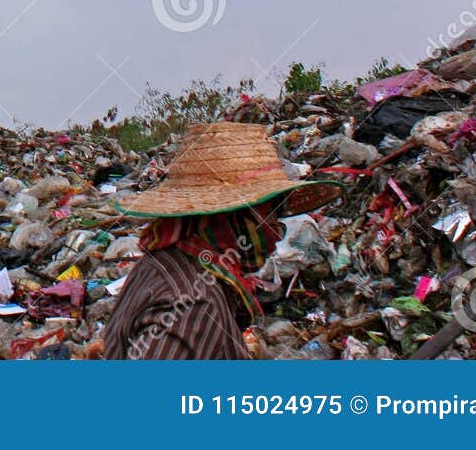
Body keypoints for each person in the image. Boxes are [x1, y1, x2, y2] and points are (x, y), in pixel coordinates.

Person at [102, 121, 339, 359]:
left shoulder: (161, 263)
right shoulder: (196, 305)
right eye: (271, 214)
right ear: (235, 218)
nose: (277, 233)